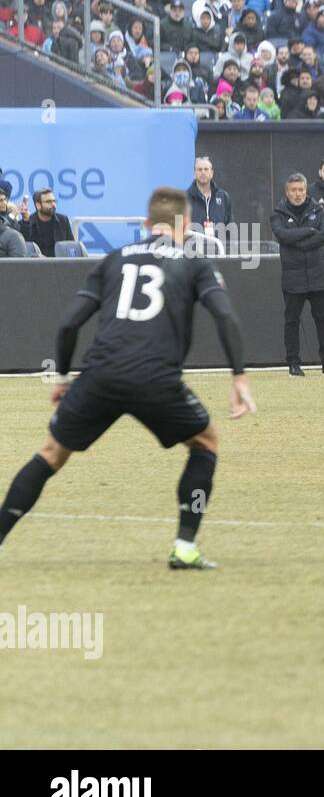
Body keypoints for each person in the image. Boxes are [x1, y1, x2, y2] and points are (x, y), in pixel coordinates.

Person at [0, 187, 255, 569]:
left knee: (51, 454)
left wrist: (64, 377)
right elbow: (225, 316)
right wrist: (238, 376)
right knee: (205, 442)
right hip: (156, 378)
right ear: (184, 224)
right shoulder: (194, 262)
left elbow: (70, 323)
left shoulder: (115, 258)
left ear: (148, 224)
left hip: (101, 374)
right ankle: (185, 546)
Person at [272, 173, 324, 376]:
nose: (298, 194)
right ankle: (293, 363)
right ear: (287, 192)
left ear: (305, 190)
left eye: (301, 189)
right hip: (293, 277)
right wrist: (310, 230)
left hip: (319, 274)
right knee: (292, 320)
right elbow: (282, 235)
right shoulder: (277, 213)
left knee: (323, 320)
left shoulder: (318, 209)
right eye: (293, 190)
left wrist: (300, 244)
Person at [186, 156, 234, 242]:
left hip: (219, 251)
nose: (203, 172)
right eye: (199, 170)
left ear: (212, 173)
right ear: (194, 174)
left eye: (206, 169)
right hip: (194, 252)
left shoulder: (223, 197)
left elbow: (230, 227)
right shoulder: (185, 198)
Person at [17, 189, 74, 257]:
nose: (53, 205)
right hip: (36, 265)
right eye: (48, 202)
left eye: (54, 201)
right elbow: (23, 249)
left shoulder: (63, 220)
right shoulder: (27, 223)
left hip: (60, 264)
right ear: (38, 205)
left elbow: (71, 246)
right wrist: (26, 222)